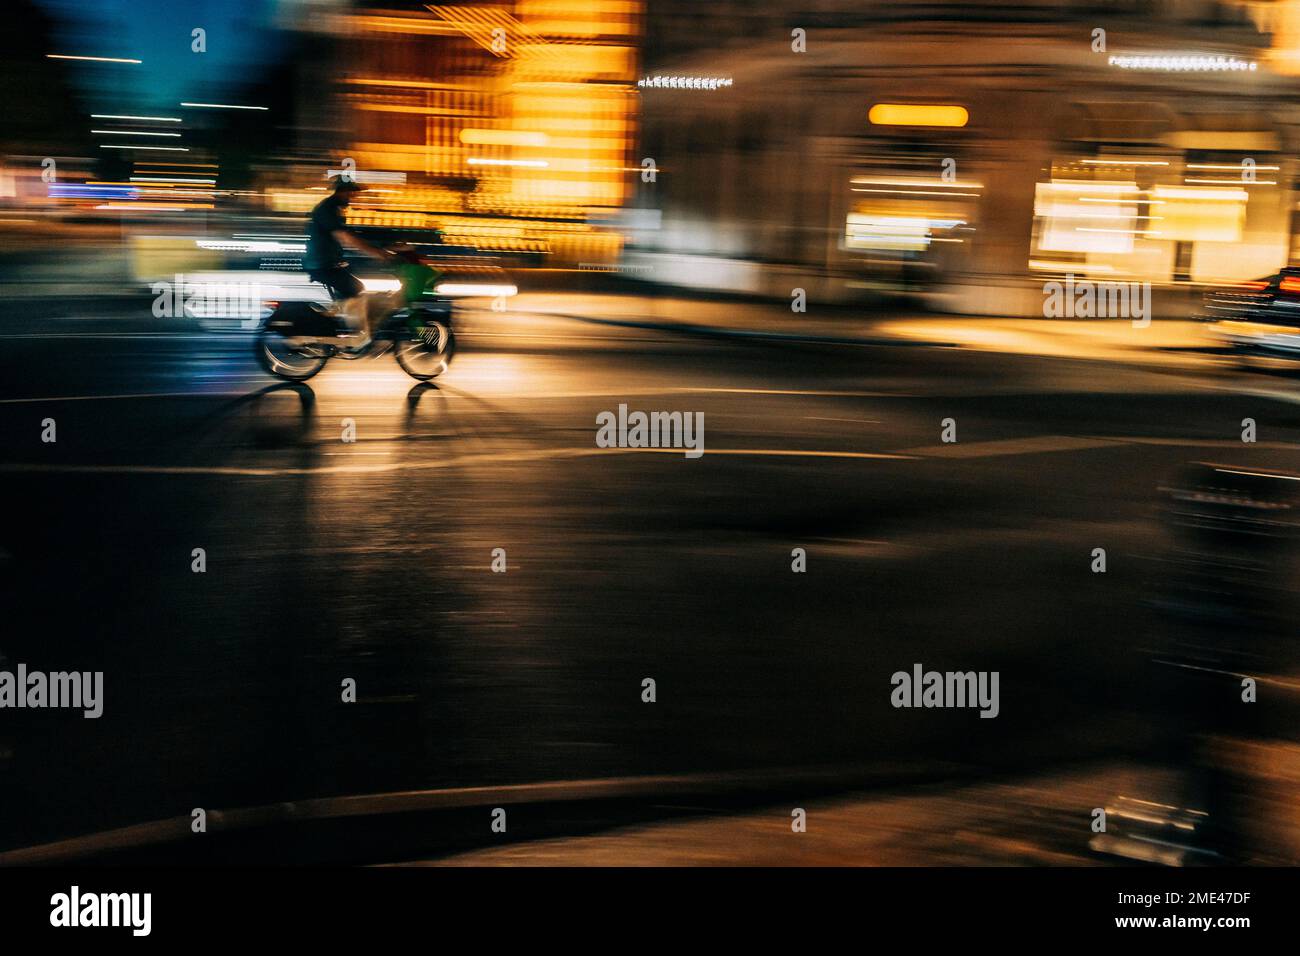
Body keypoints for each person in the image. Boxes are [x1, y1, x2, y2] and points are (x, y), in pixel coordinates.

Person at [303, 177, 392, 342]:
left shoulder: (333, 209)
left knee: (345, 297)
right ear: (342, 191)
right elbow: (345, 237)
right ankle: (359, 338)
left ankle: (339, 328)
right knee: (357, 288)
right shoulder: (328, 209)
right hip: (322, 264)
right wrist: (376, 253)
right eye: (351, 194)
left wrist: (384, 247)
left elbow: (351, 236)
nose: (352, 198)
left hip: (326, 263)